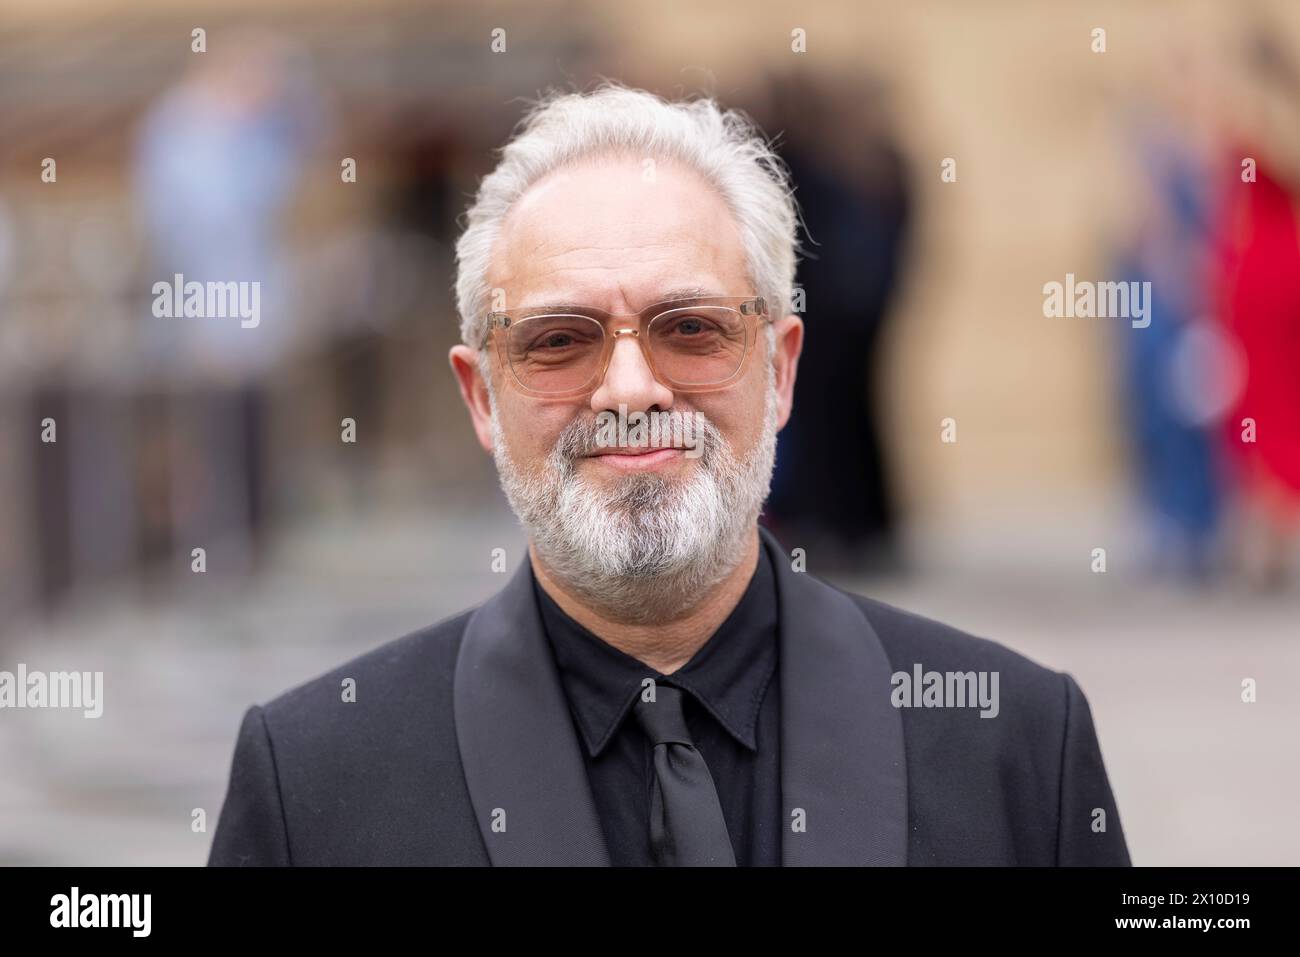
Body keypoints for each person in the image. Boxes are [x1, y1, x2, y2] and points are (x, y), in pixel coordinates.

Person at [209, 83, 1130, 866]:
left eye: (690, 328)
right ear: (481, 397)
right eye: (559, 341)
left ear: (781, 369)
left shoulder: (1014, 748)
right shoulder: (313, 788)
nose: (631, 387)